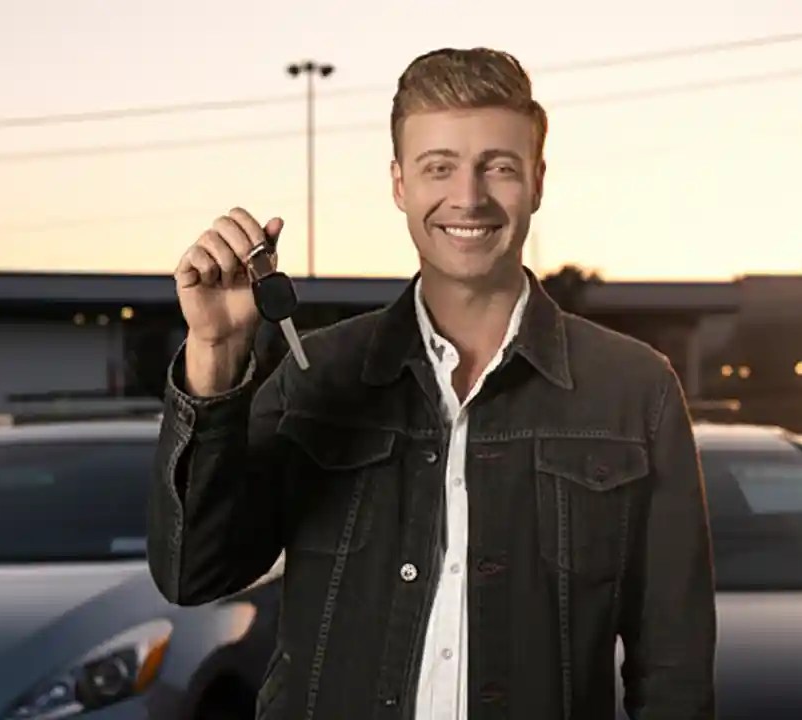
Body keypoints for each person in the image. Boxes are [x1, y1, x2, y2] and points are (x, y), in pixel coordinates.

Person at [146, 46, 716, 720]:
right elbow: (192, 574)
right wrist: (215, 351)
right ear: (399, 185)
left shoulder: (635, 390)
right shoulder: (314, 376)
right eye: (438, 167)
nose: (468, 197)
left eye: (498, 167)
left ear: (537, 181)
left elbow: (674, 670)